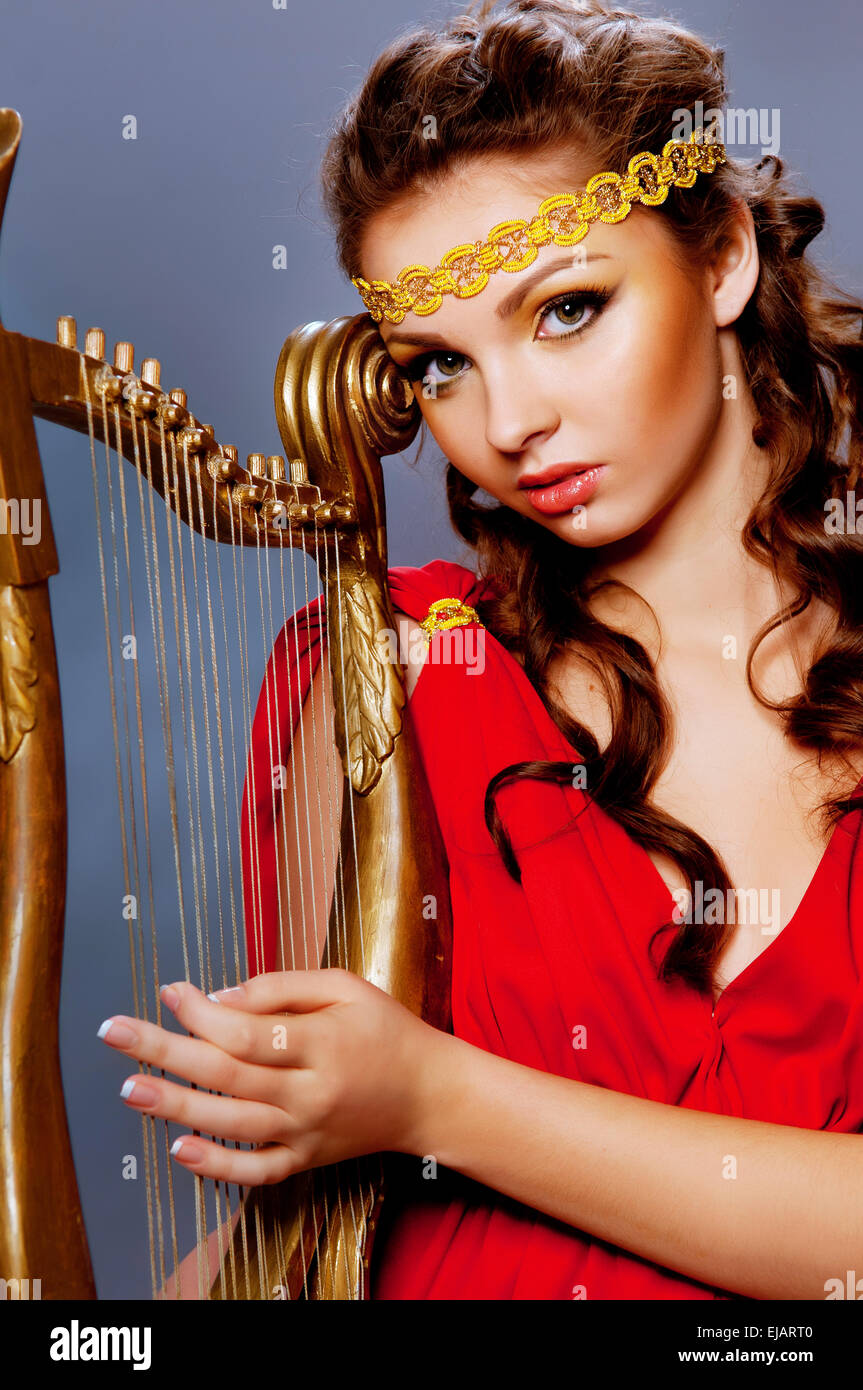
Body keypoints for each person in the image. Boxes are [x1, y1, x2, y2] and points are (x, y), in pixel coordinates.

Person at [98, 0, 863, 1299]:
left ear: (723, 254)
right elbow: (322, 1221)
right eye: (441, 364)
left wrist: (437, 1097)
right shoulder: (386, 669)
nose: (509, 422)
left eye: (567, 310)